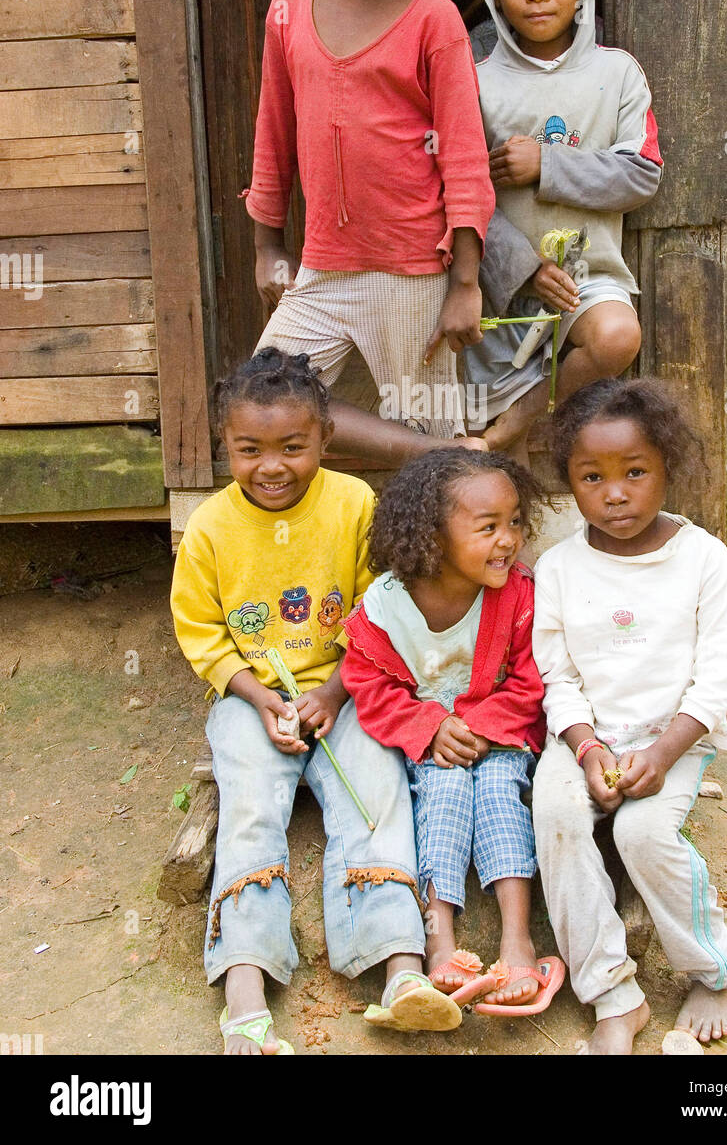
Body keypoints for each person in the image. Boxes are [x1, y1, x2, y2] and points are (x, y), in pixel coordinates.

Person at [170, 348, 465, 1053]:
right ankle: (245, 991)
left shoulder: (356, 505)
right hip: (252, 697)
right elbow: (202, 633)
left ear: (325, 441)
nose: (271, 466)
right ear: (226, 447)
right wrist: (257, 695)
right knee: (250, 809)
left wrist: (336, 691)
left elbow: (378, 610)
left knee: (380, 792)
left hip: (351, 684)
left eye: (292, 448)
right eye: (249, 450)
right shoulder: (210, 527)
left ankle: (399, 967)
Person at [243, 0, 494, 462]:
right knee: (267, 400)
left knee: (436, 439)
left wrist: (465, 282)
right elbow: (272, 132)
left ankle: (455, 518)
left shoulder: (435, 20)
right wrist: (268, 243)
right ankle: (421, 453)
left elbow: (465, 158)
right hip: (323, 267)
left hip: (412, 273)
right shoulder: (289, 7)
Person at [530, 378, 727, 1054]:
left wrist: (662, 753)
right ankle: (613, 996)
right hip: (588, 741)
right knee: (559, 815)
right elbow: (557, 677)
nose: (615, 492)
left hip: (673, 740)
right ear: (569, 481)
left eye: (635, 472)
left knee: (644, 834)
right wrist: (587, 749)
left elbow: (715, 681)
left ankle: (714, 969)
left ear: (668, 468)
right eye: (592, 477)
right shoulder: (559, 566)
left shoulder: (703, 559)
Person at [341, 448, 565, 1015]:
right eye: (488, 527)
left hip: (501, 736)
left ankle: (517, 936)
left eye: (514, 522)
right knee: (440, 793)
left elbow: (531, 680)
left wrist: (483, 728)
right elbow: (368, 684)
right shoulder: (386, 609)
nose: (509, 539)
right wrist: (429, 725)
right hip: (432, 742)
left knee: (496, 793)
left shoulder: (517, 596)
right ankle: (440, 941)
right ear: (432, 537)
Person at [463, 0, 664, 456]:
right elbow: (458, 191)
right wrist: (524, 268)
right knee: (462, 416)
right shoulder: (472, 81)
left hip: (586, 283)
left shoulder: (617, 72)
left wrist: (546, 166)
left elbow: (641, 174)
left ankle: (522, 422)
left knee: (618, 336)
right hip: (495, 286)